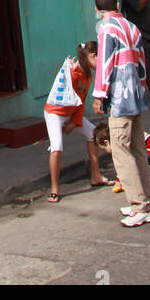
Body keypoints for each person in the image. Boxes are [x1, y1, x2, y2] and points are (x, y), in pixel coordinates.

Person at [92, 0, 150, 226]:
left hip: (119, 100)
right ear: (117, 5)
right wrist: (141, 88)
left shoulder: (106, 29)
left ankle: (138, 206)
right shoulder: (132, 27)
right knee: (138, 150)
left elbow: (104, 64)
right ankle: (145, 203)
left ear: (97, 10)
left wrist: (99, 95)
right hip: (136, 97)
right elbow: (141, 61)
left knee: (121, 153)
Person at [43, 40, 106, 201]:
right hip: (54, 113)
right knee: (56, 146)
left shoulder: (88, 76)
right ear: (92, 56)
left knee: (93, 133)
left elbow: (81, 100)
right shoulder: (70, 72)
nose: (101, 64)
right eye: (99, 59)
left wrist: (75, 122)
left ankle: (96, 175)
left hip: (71, 113)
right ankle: (54, 188)